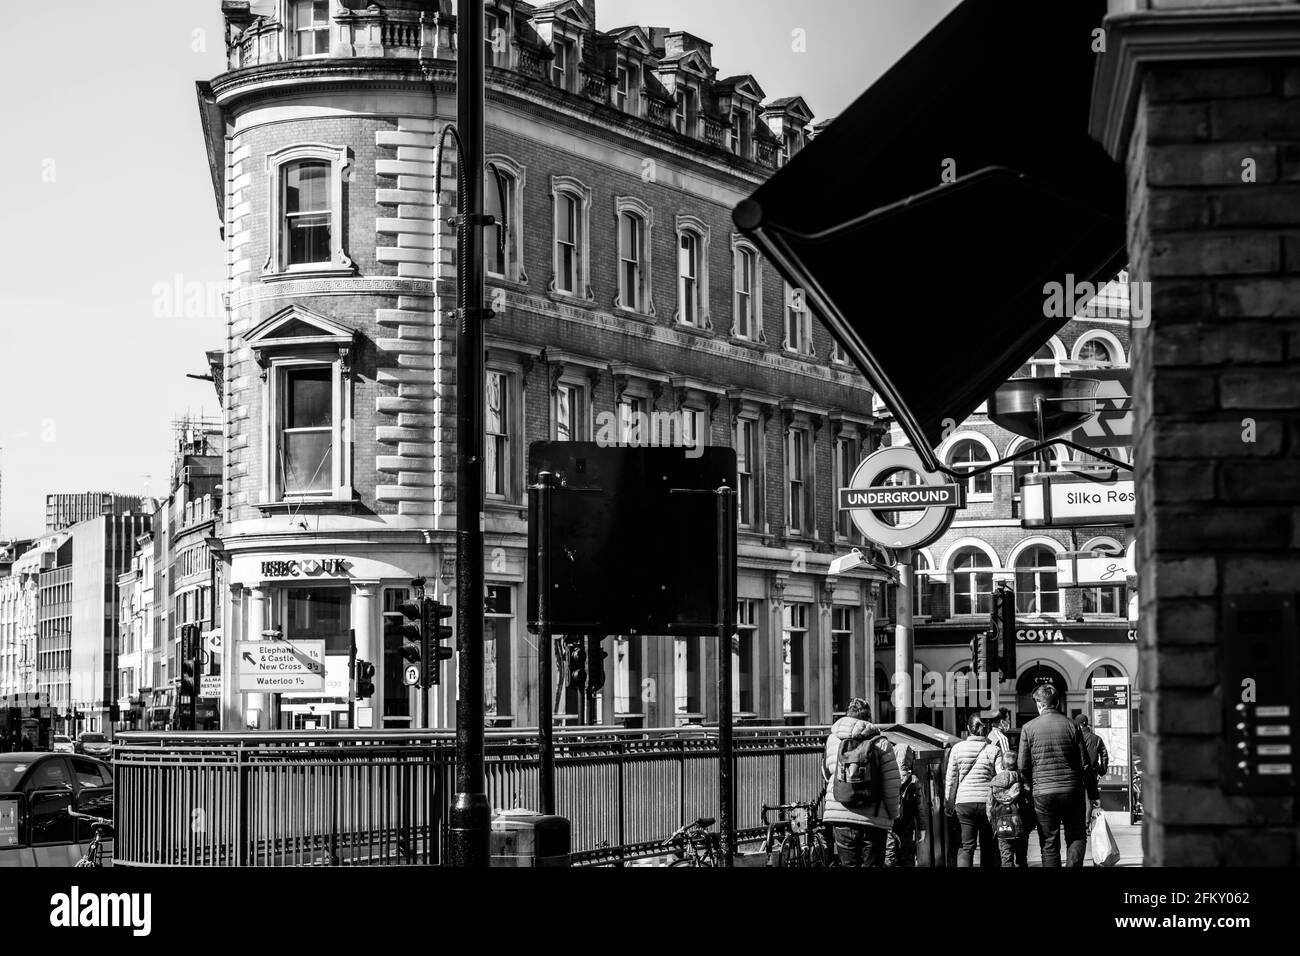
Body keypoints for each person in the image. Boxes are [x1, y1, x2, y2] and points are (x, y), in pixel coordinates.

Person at [1018, 684, 1098, 867]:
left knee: (1049, 843)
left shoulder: (1028, 728)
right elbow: (1085, 764)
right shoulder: (1072, 726)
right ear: (1058, 702)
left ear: (1039, 704)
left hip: (1043, 793)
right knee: (1076, 834)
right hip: (1072, 791)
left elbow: (1022, 766)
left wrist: (1031, 787)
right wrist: (1093, 795)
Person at [822, 698, 907, 867]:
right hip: (873, 818)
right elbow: (891, 784)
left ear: (847, 715)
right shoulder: (881, 743)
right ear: (868, 718)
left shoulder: (833, 740)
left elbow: (826, 774)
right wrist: (893, 814)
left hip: (841, 815)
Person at [945, 714, 1002, 867]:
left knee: (966, 847)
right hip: (987, 804)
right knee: (988, 847)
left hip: (963, 803)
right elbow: (1001, 778)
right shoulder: (994, 750)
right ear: (985, 729)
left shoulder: (957, 749)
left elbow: (951, 780)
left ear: (968, 729)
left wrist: (949, 804)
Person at [987, 750, 1032, 867]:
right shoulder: (1021, 779)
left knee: (1006, 858)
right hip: (1020, 823)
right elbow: (1029, 802)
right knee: (1022, 859)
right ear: (1017, 764)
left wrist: (993, 823)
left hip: (1001, 824)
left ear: (1002, 765)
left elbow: (989, 805)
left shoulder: (995, 781)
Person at [1075, 714, 1110, 781]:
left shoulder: (1074, 738)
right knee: (1092, 791)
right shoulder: (1096, 739)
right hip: (1092, 772)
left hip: (1077, 774)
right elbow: (1104, 755)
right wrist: (1102, 771)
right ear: (1085, 723)